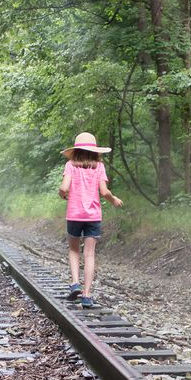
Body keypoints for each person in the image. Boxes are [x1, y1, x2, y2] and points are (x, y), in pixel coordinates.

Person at [58, 132, 123, 308]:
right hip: (93, 216)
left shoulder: (70, 165)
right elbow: (104, 192)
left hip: (74, 215)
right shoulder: (99, 166)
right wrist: (114, 199)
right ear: (95, 151)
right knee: (89, 255)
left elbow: (64, 187)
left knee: (73, 250)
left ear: (76, 150)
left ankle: (75, 283)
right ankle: (86, 295)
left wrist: (63, 193)